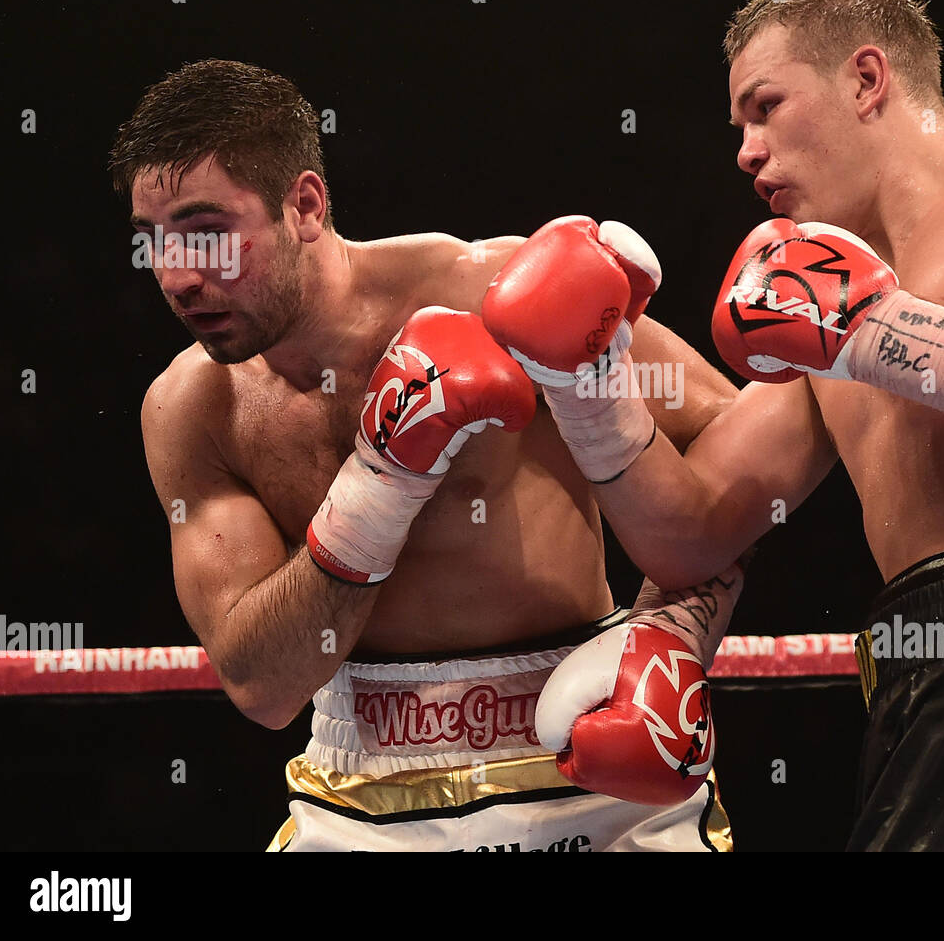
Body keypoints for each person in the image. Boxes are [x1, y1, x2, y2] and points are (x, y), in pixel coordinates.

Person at [490, 0, 944, 851]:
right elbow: (690, 531)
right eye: (738, 126)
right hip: (912, 697)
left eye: (765, 106)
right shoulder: (824, 331)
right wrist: (589, 388)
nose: (745, 150)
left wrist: (878, 327)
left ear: (867, 80)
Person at [114, 59, 742, 851]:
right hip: (358, 796)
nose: (176, 276)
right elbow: (263, 685)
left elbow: (738, 452)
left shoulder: (495, 290)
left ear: (305, 204)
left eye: (207, 233)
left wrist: (672, 631)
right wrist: (382, 479)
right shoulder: (192, 409)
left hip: (590, 765)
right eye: (154, 241)